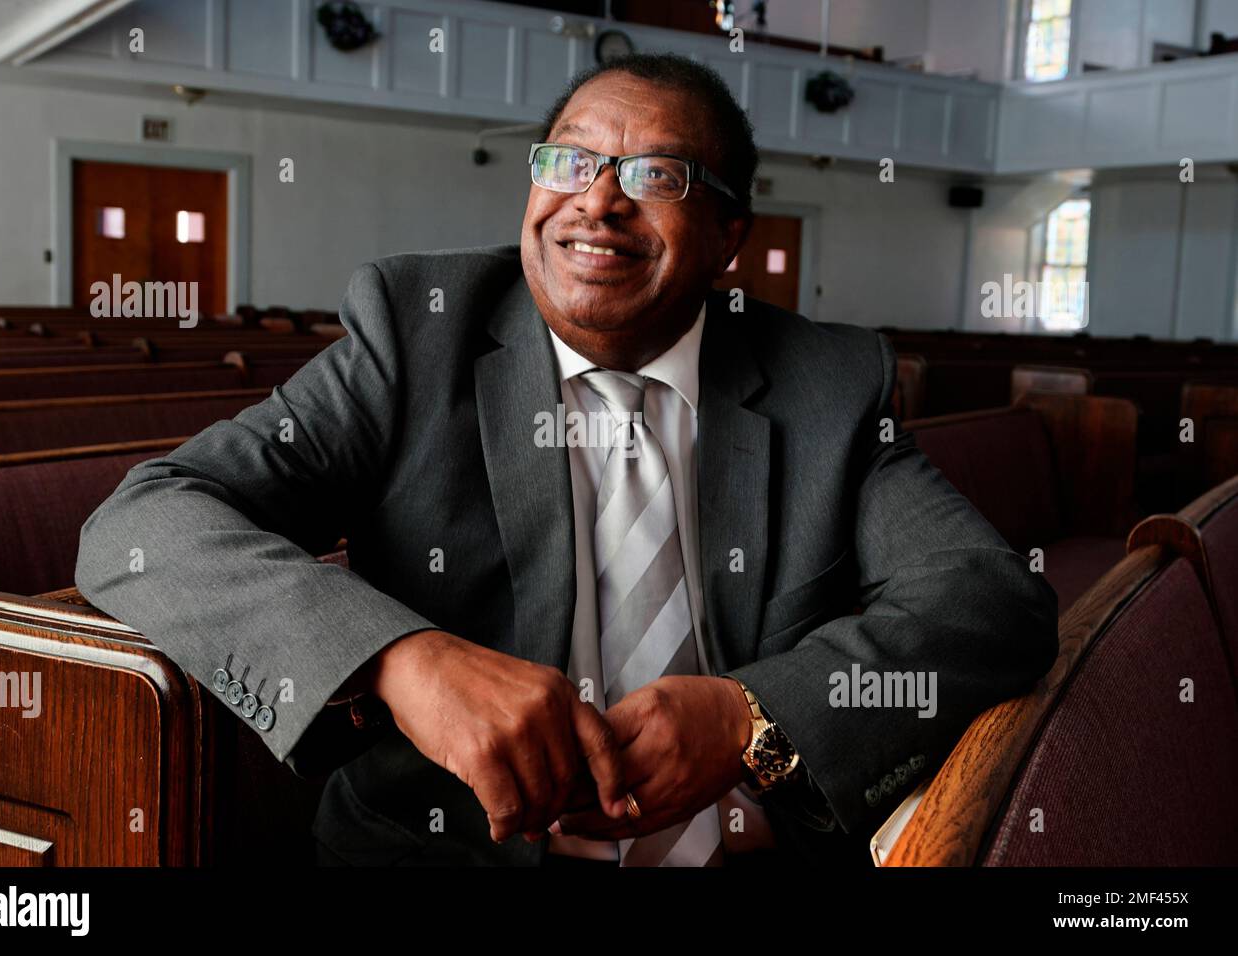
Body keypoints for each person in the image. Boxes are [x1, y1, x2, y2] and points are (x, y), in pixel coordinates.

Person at [75, 52, 1058, 867]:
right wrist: (402, 659)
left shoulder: (827, 381)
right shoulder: (417, 336)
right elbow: (143, 522)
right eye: (568, 161)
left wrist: (750, 714)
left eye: (654, 176)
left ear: (727, 240)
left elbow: (986, 600)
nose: (597, 201)